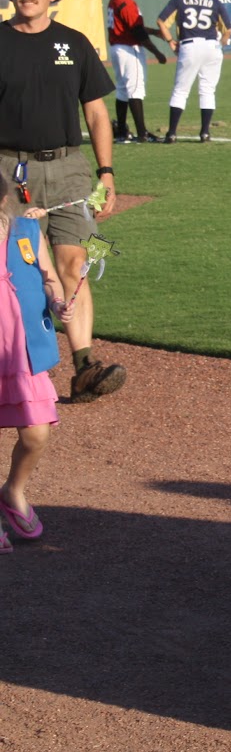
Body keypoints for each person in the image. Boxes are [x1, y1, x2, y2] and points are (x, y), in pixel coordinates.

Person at [0, 0, 126, 404]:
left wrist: (106, 173)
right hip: (8, 171)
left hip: (70, 169)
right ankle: (17, 366)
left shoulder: (74, 44)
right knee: (17, 270)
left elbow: (96, 113)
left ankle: (84, 367)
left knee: (75, 261)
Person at [1, 166, 74, 554]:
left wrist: (58, 302)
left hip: (22, 352)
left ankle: (13, 490)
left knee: (36, 434)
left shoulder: (27, 231)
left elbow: (48, 278)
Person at [156, 0, 231, 143]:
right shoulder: (215, 2)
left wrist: (170, 41)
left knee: (181, 90)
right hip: (211, 45)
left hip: (189, 45)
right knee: (207, 90)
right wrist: (219, 45)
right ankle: (205, 133)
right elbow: (228, 30)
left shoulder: (180, 0)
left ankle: (172, 133)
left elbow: (161, 21)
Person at [106, 0, 168, 144]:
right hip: (129, 48)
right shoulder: (125, 1)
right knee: (135, 90)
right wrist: (157, 53)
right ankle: (142, 134)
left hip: (118, 48)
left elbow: (133, 26)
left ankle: (121, 133)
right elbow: (137, 31)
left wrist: (154, 32)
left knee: (123, 90)